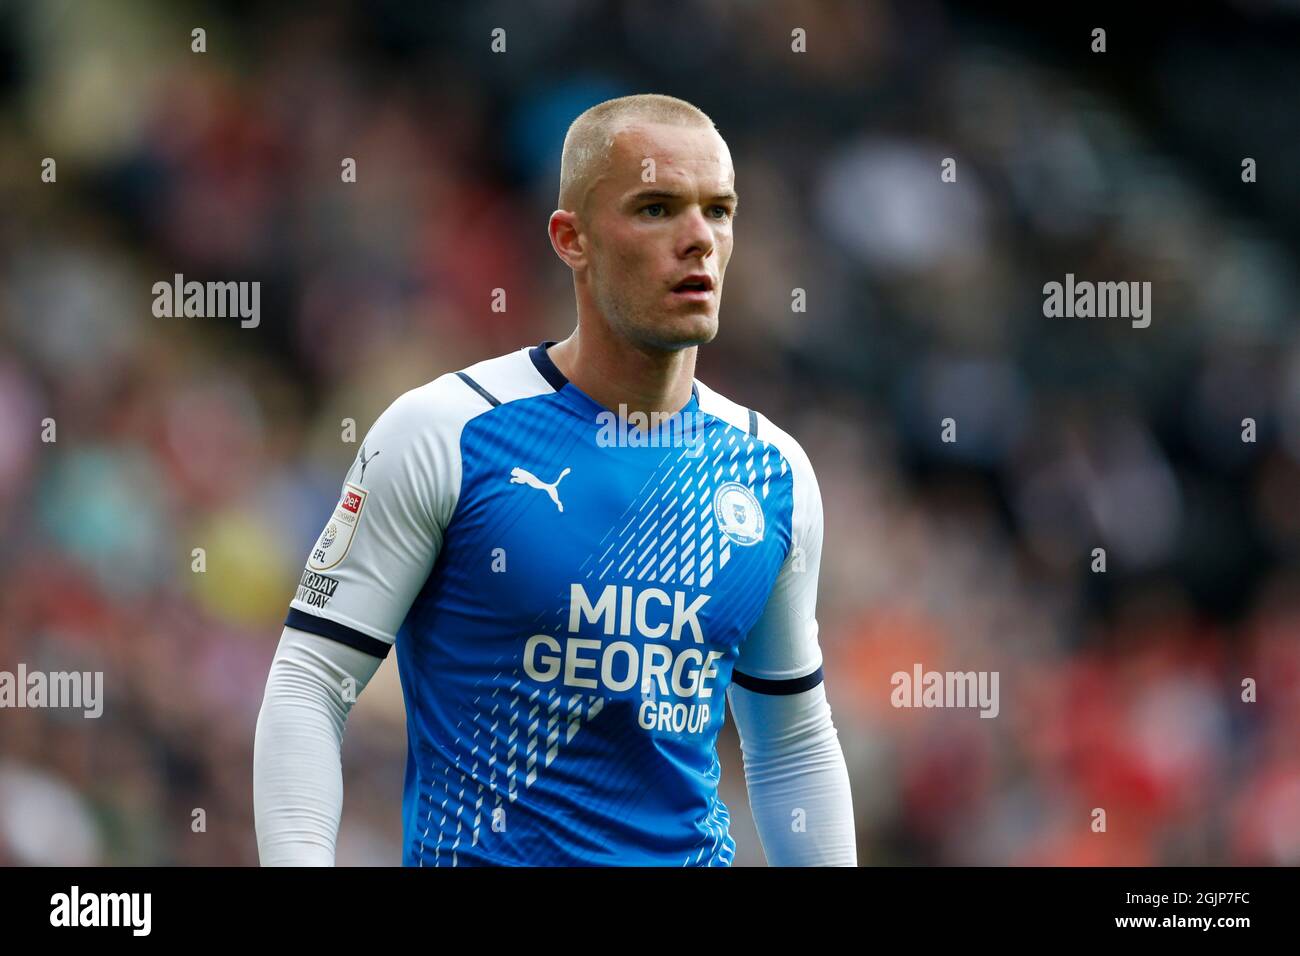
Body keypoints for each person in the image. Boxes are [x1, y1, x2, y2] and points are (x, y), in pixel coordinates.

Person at [254, 93, 856, 866]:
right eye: (657, 208)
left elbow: (794, 742)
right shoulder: (447, 433)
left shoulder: (771, 472)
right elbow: (312, 680)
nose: (699, 239)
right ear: (571, 240)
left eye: (720, 210)